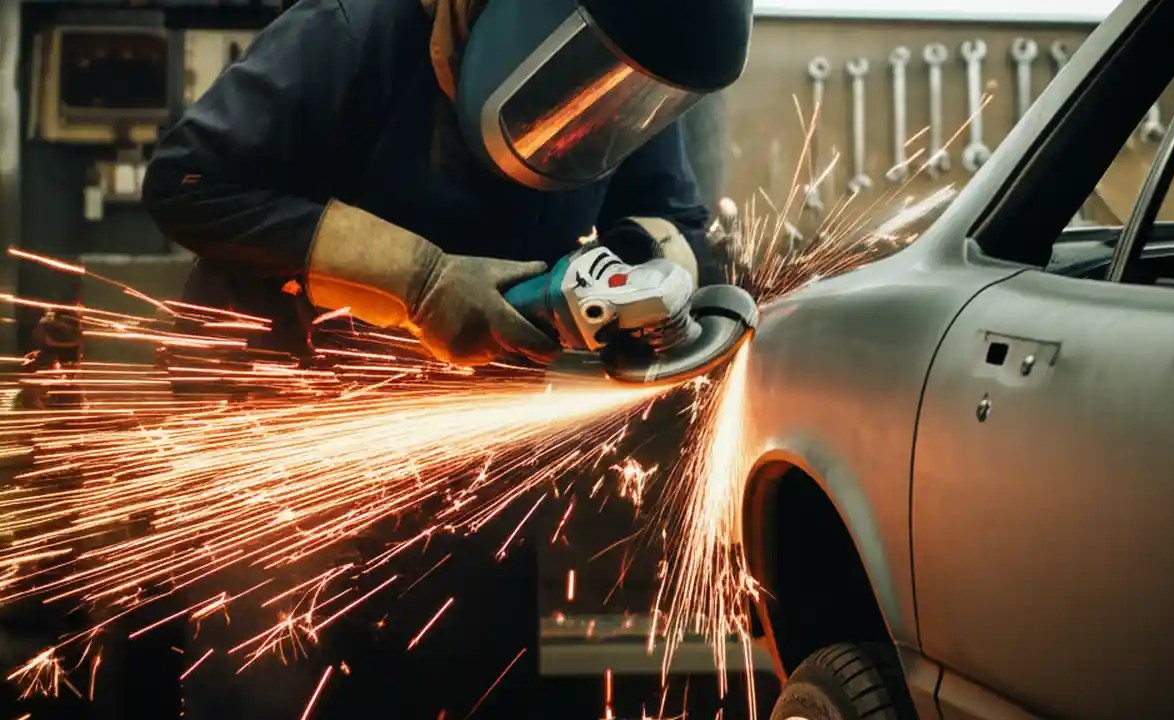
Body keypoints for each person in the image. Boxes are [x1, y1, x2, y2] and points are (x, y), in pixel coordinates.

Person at [140, 0, 752, 716]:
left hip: (477, 459)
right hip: (285, 444)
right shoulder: (352, 30)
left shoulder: (628, 60)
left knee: (474, 677)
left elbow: (676, 218)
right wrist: (416, 277)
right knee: (278, 681)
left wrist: (643, 276)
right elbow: (187, 180)